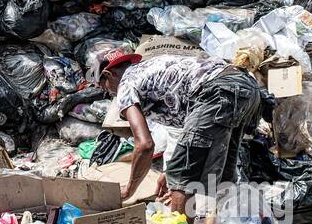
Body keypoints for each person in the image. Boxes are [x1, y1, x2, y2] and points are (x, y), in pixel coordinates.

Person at [99, 52, 265, 215]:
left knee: (182, 181)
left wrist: (130, 189)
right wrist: (169, 170)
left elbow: (144, 145)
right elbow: (189, 134)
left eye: (103, 86)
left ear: (109, 74)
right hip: (247, 87)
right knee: (220, 178)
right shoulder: (148, 69)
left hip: (218, 91)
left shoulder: (126, 84)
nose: (109, 93)